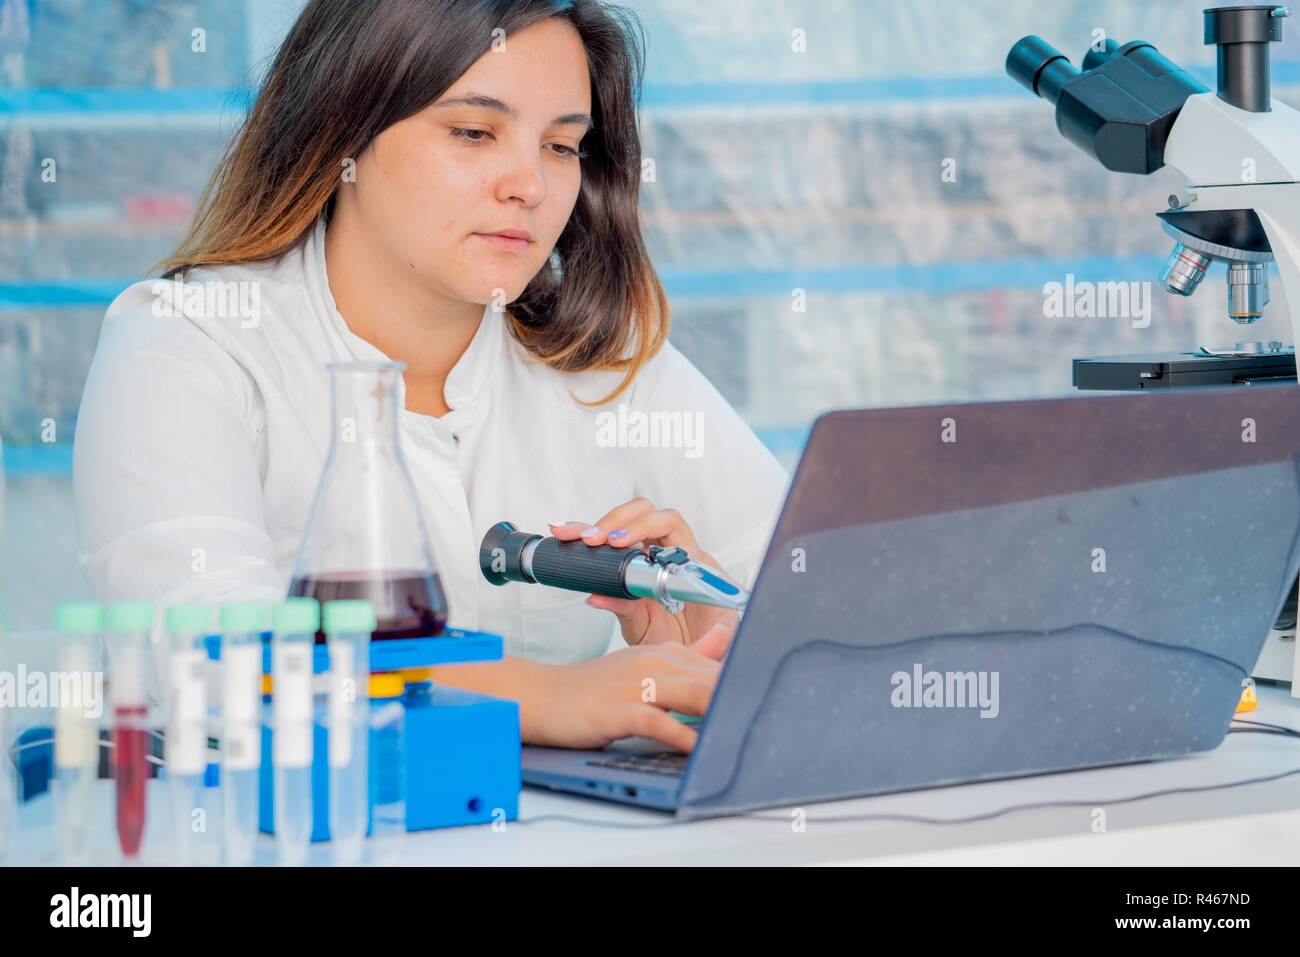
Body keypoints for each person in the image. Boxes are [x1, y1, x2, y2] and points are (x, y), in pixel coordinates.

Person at [73, 0, 788, 753]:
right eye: (474, 132)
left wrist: (728, 638)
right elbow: (211, 652)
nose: (531, 186)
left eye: (561, 145)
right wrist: (545, 696)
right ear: (342, 132)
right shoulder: (186, 341)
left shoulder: (601, 357)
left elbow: (833, 603)